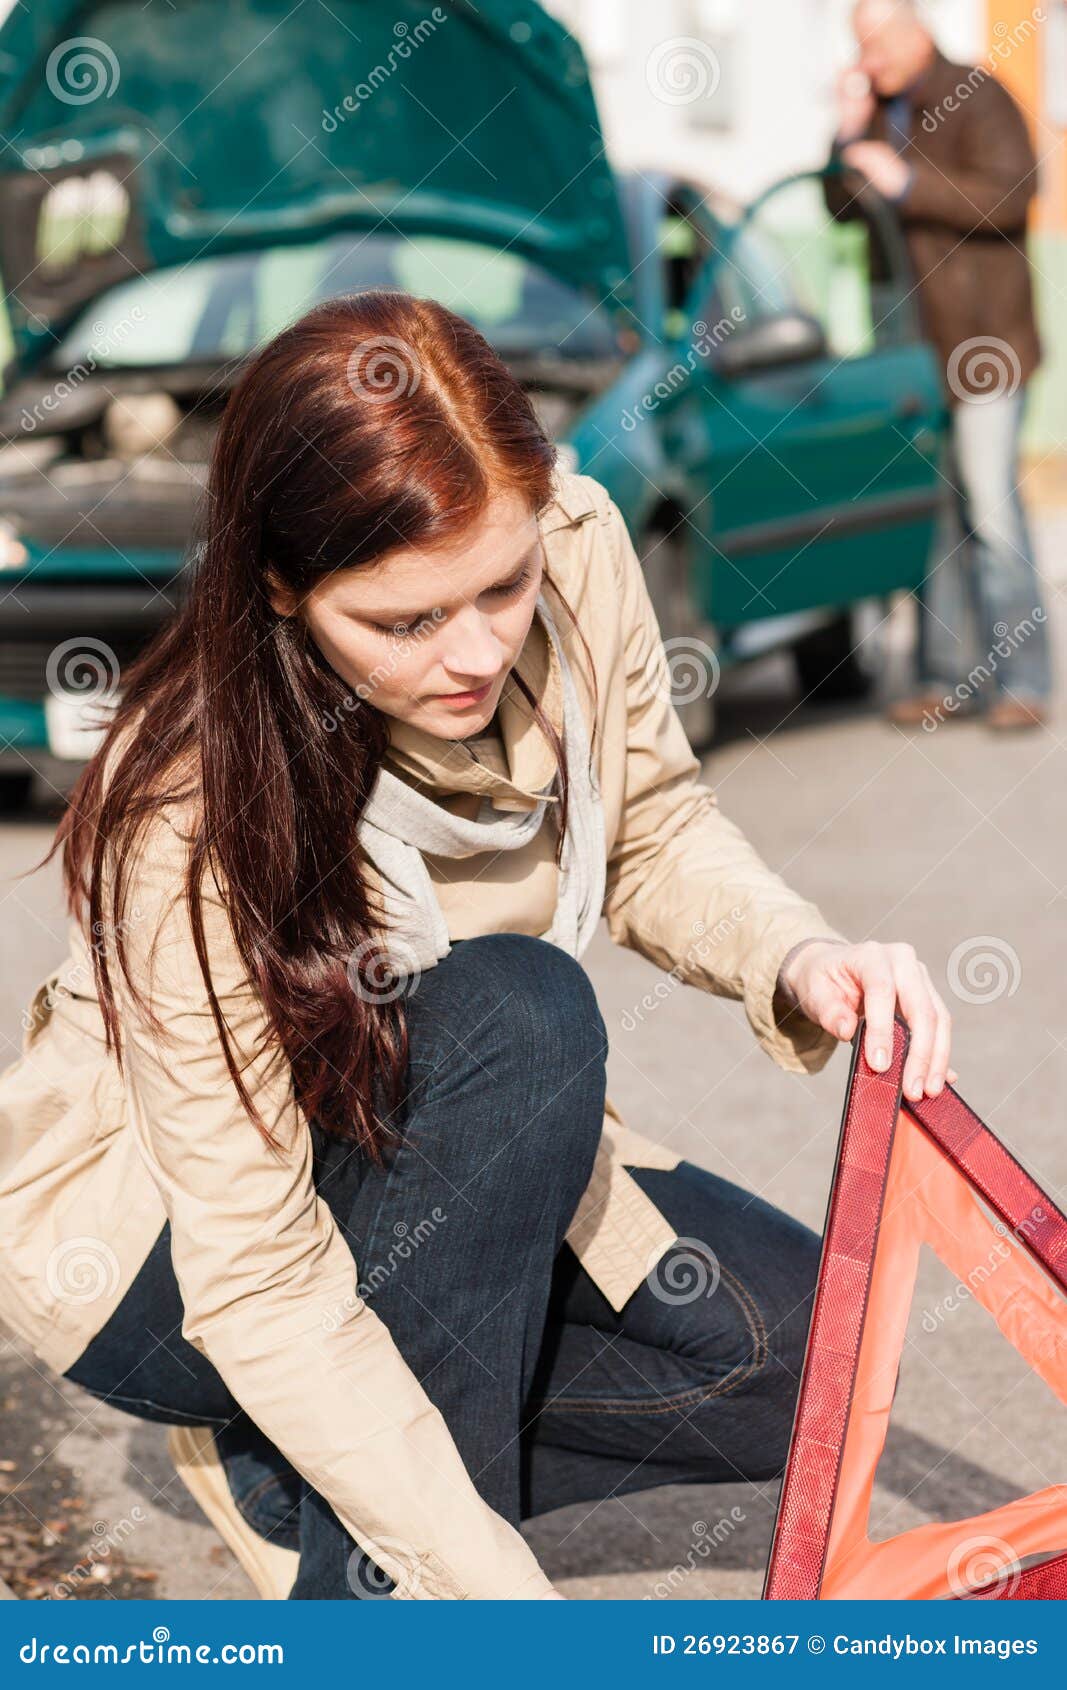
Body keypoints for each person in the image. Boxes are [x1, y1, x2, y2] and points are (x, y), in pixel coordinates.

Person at [0, 290, 954, 1601]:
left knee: (804, 1365)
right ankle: (369, 1586)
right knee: (523, 1016)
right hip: (176, 1244)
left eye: (500, 588)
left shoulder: (574, 544)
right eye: (404, 622)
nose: (475, 652)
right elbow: (260, 1274)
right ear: (282, 588)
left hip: (433, 1120)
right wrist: (493, 1591)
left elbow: (653, 823)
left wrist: (793, 953)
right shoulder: (185, 815)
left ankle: (328, 1462)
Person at [828, 0, 1050, 731]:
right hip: (913, 360)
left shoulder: (977, 93)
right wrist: (844, 129)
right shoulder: (874, 111)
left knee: (990, 512)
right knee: (931, 517)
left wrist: (905, 184)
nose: (868, 59)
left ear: (912, 33)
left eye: (875, 44)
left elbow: (1014, 197)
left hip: (985, 349)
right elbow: (840, 208)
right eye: (858, 46)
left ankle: (1021, 683)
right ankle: (943, 679)